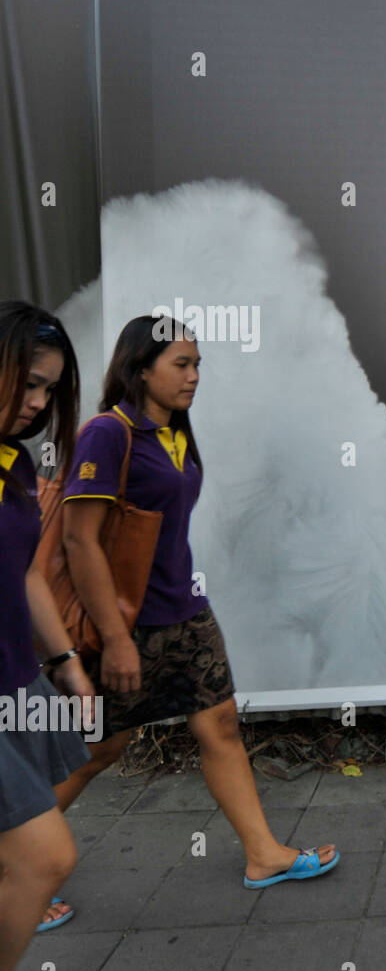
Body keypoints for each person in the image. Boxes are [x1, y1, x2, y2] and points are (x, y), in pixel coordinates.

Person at [40, 314, 337, 930]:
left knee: (220, 723)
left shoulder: (174, 434)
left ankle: (264, 855)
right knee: (98, 749)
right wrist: (118, 642)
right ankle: (14, 867)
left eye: (198, 364)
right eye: (182, 364)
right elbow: (79, 542)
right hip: (126, 627)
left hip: (186, 613)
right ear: (139, 367)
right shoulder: (107, 434)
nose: (195, 376)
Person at [0, 302, 94, 971]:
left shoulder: (18, 467)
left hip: (15, 682)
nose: (37, 403)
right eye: (28, 382)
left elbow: (30, 570)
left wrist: (65, 662)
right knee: (46, 856)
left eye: (48, 390)